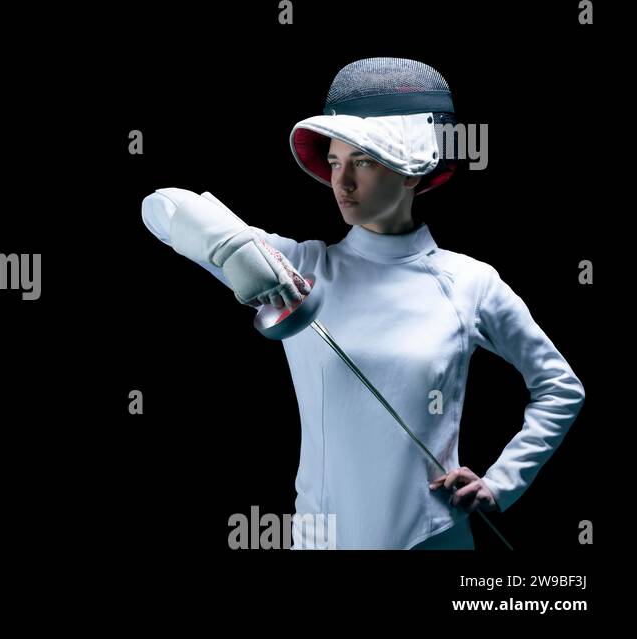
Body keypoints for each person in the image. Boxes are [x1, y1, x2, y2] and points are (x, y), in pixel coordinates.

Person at [141, 58, 584, 549]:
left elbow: (560, 386)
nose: (342, 182)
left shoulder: (470, 283)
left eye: (364, 162)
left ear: (412, 175)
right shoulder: (295, 269)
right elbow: (163, 208)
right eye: (335, 161)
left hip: (433, 539)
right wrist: (237, 252)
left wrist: (502, 483)